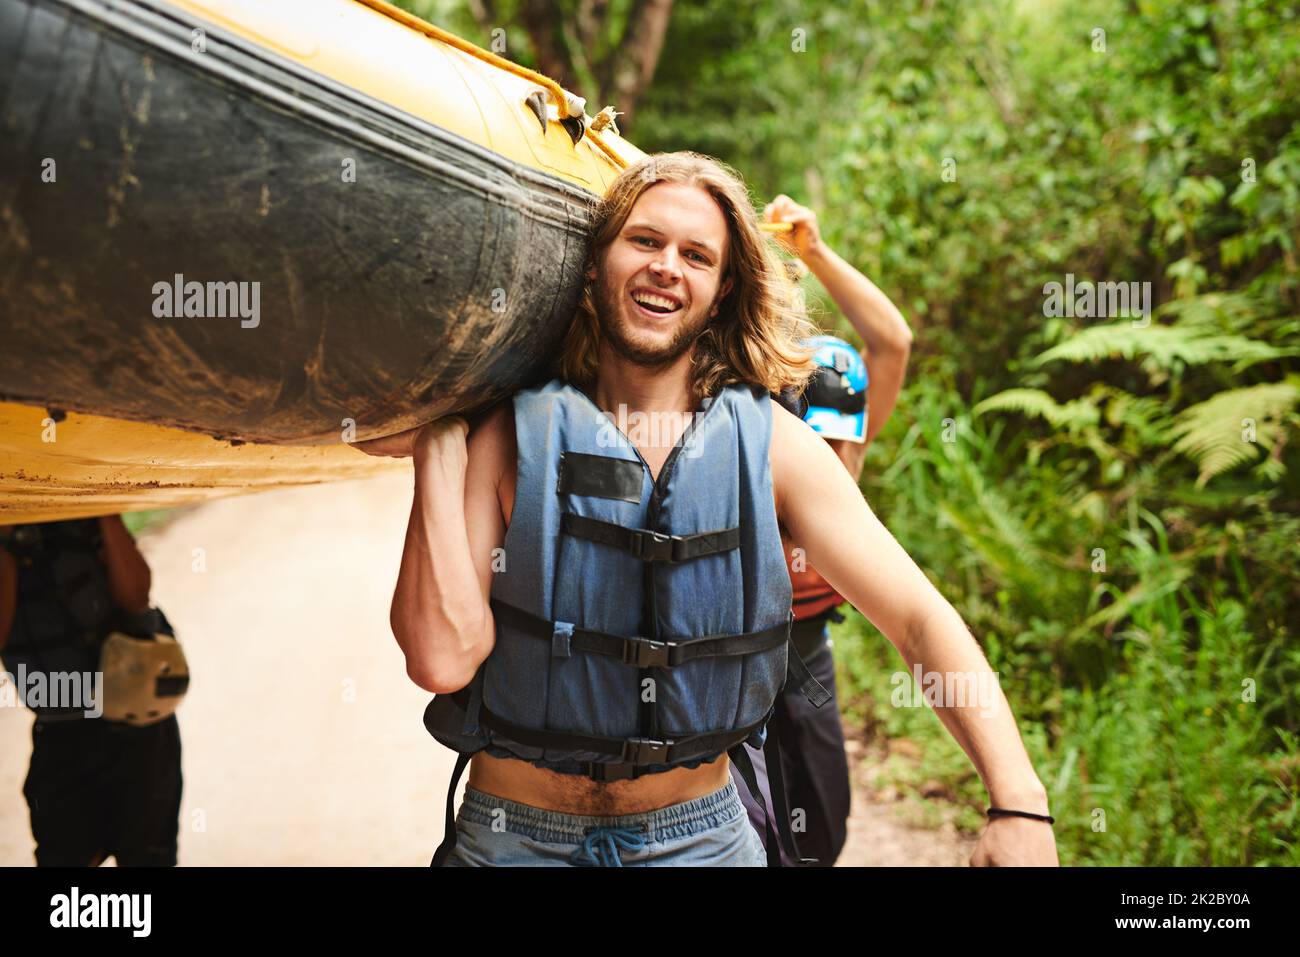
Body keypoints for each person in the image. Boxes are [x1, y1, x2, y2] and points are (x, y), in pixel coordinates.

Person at [355, 151, 1058, 867]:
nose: (667, 266)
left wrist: (1019, 800)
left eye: (697, 255)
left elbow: (917, 618)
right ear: (594, 265)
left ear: (722, 291)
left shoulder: (777, 448)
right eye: (645, 240)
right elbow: (440, 656)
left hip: (699, 840)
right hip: (513, 838)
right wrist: (440, 447)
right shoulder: (512, 434)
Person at [728, 195, 915, 866]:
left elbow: (892, 341)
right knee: (740, 820)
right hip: (730, 647)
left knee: (820, 824)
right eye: (816, 440)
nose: (830, 460)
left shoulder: (850, 439)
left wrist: (814, 250)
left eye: (841, 442)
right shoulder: (756, 429)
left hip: (807, 651)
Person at [0, 516, 184, 867]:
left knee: (149, 859)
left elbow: (136, 596)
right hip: (61, 731)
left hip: (139, 729)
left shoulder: (82, 507)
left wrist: (105, 514)